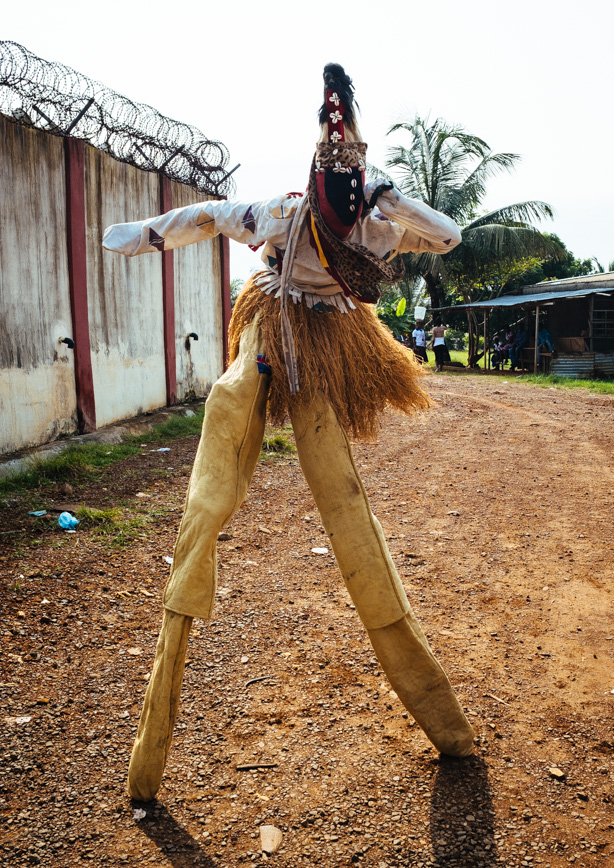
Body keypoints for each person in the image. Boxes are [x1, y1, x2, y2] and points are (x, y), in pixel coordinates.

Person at [103, 63, 474, 802]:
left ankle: (447, 727)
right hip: (274, 334)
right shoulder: (284, 212)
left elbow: (450, 235)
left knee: (347, 511)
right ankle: (150, 754)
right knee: (220, 442)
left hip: (328, 352)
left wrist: (388, 196)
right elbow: (209, 215)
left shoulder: (375, 214)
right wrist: (140, 235)